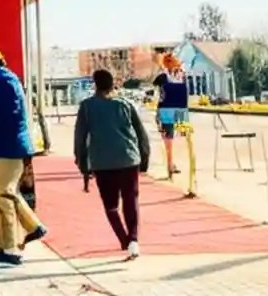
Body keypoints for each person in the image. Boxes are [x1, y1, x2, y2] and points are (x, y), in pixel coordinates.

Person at [0, 44, 47, 268]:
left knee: (1, 193)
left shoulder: (3, 80)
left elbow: (6, 116)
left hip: (6, 146)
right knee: (1, 191)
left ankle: (10, 250)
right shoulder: (0, 80)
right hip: (2, 146)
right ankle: (31, 228)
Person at [74, 69, 151, 260]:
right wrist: (144, 158)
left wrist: (83, 164)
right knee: (131, 199)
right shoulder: (125, 104)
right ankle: (133, 240)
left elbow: (80, 138)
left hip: (102, 163)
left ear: (95, 84)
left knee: (111, 205)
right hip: (129, 159)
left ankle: (124, 240)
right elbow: (141, 134)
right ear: (113, 84)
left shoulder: (87, 107)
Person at [152, 54, 190, 178]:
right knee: (169, 138)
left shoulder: (170, 76)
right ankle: (170, 165)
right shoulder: (166, 76)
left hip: (170, 109)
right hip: (169, 110)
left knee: (171, 138)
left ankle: (170, 164)